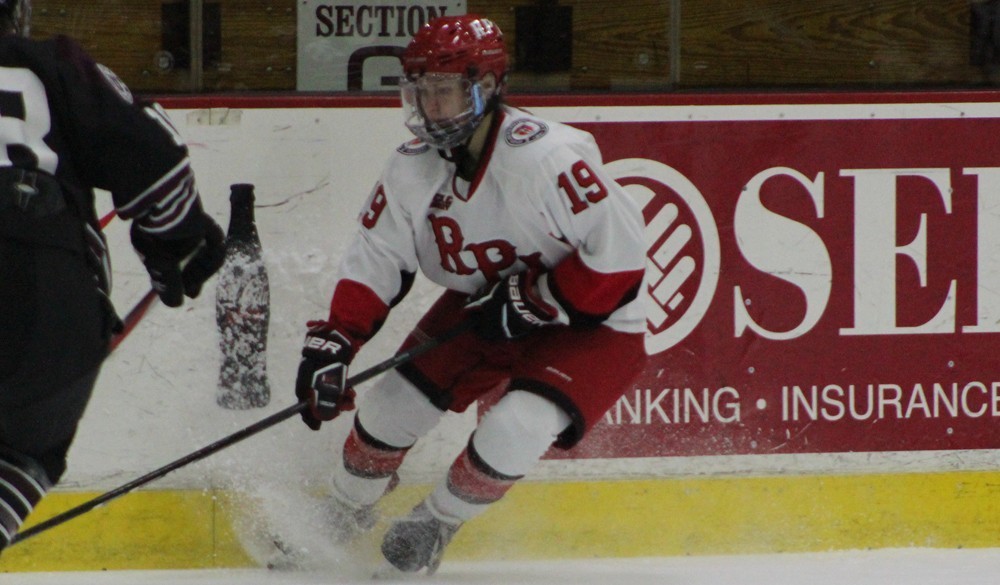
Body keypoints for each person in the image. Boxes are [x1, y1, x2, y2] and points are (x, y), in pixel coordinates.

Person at [294, 14, 648, 575]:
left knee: (515, 427)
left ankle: (438, 521)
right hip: (486, 304)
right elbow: (379, 257)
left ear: (485, 86)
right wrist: (336, 340)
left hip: (593, 319)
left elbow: (622, 261)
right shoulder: (410, 168)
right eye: (422, 92)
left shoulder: (545, 157)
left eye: (445, 91)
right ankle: (343, 509)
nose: (432, 107)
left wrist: (540, 297)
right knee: (390, 408)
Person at [0, 0, 225, 553]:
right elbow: (158, 162)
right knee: (22, 450)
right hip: (42, 288)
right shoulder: (52, 63)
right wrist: (176, 244)